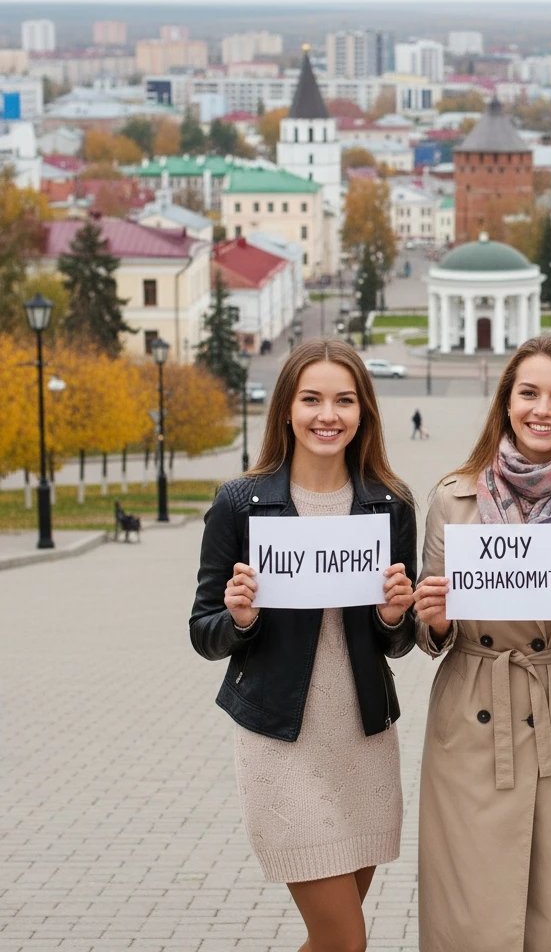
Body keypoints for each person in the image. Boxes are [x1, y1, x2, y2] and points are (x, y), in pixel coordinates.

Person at [412, 334, 551, 952]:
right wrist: (431, 619)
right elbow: (424, 631)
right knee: (471, 911)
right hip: (471, 714)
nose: (544, 409)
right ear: (506, 403)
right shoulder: (452, 497)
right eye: (529, 393)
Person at [189, 339, 417, 952]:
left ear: (364, 411)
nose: (328, 415)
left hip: (363, 740)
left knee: (331, 940)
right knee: (346, 938)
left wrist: (396, 615)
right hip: (278, 740)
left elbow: (398, 642)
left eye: (344, 400)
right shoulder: (241, 502)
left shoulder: (388, 504)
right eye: (311, 399)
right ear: (286, 409)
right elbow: (203, 631)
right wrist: (239, 618)